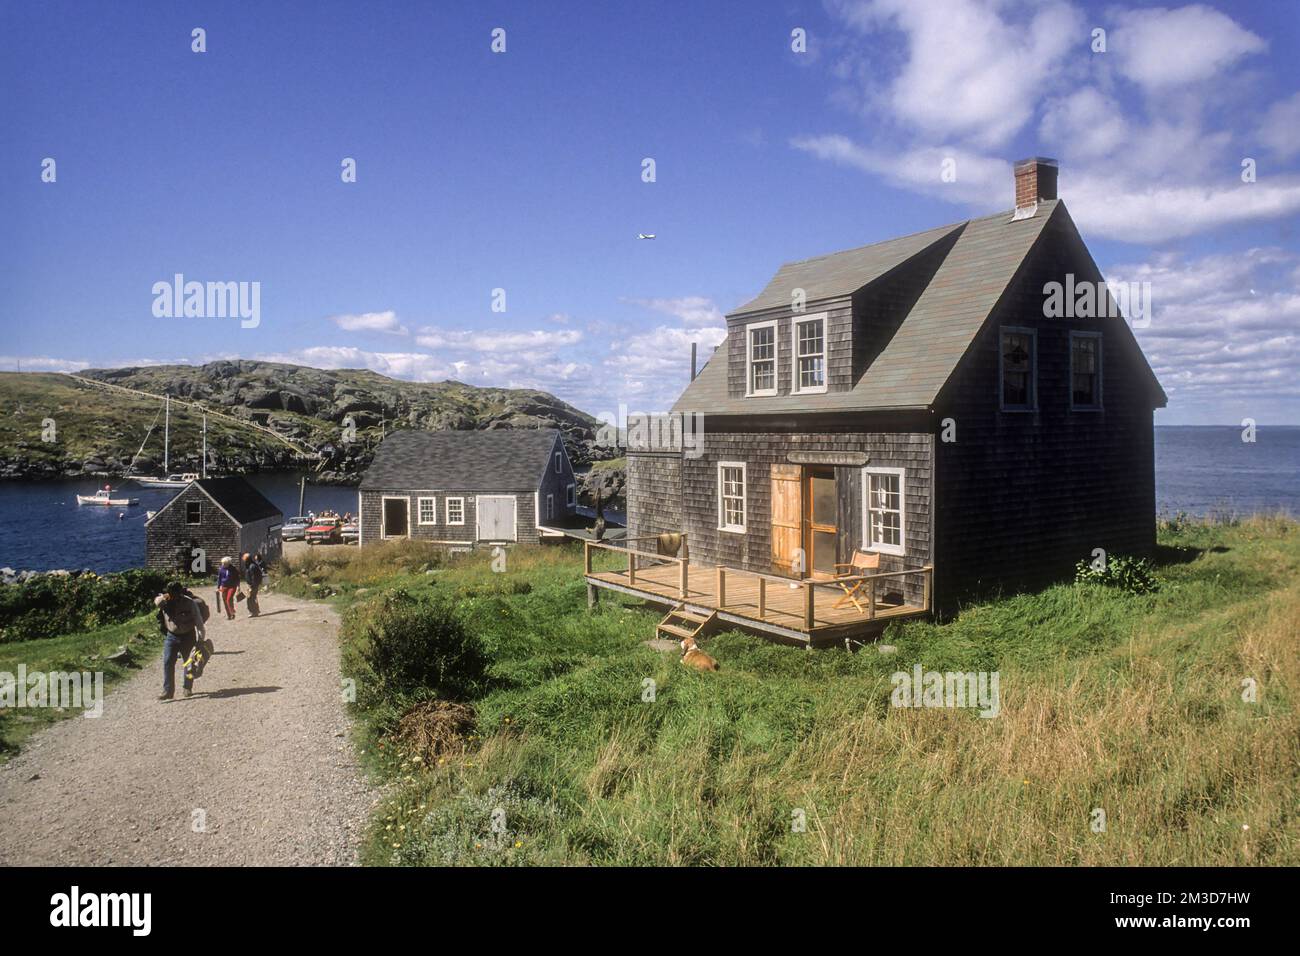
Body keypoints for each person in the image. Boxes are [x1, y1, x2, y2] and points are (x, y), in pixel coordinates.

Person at [156, 582, 207, 701]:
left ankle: (187, 687)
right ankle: (168, 691)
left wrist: (200, 640)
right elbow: (157, 602)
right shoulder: (165, 601)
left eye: (176, 594)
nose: (174, 597)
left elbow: (199, 622)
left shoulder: (190, 603)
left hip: (188, 636)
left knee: (188, 663)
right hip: (171, 636)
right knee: (168, 662)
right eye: (171, 594)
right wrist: (164, 597)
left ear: (181, 593)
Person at [216, 556, 241, 620]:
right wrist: (218, 587)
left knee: (229, 599)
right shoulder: (221, 569)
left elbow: (237, 578)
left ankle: (232, 612)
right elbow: (219, 578)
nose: (223, 564)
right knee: (225, 600)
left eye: (225, 563)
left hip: (232, 586)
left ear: (228, 563)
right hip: (224, 586)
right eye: (222, 563)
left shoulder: (233, 569)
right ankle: (229, 615)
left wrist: (238, 586)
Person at [241, 551, 263, 617]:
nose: (243, 560)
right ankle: (256, 611)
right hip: (250, 585)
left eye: (244, 559)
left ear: (247, 559)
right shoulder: (249, 565)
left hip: (253, 585)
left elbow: (254, 577)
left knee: (250, 599)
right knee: (253, 598)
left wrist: (252, 586)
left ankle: (253, 612)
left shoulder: (252, 566)